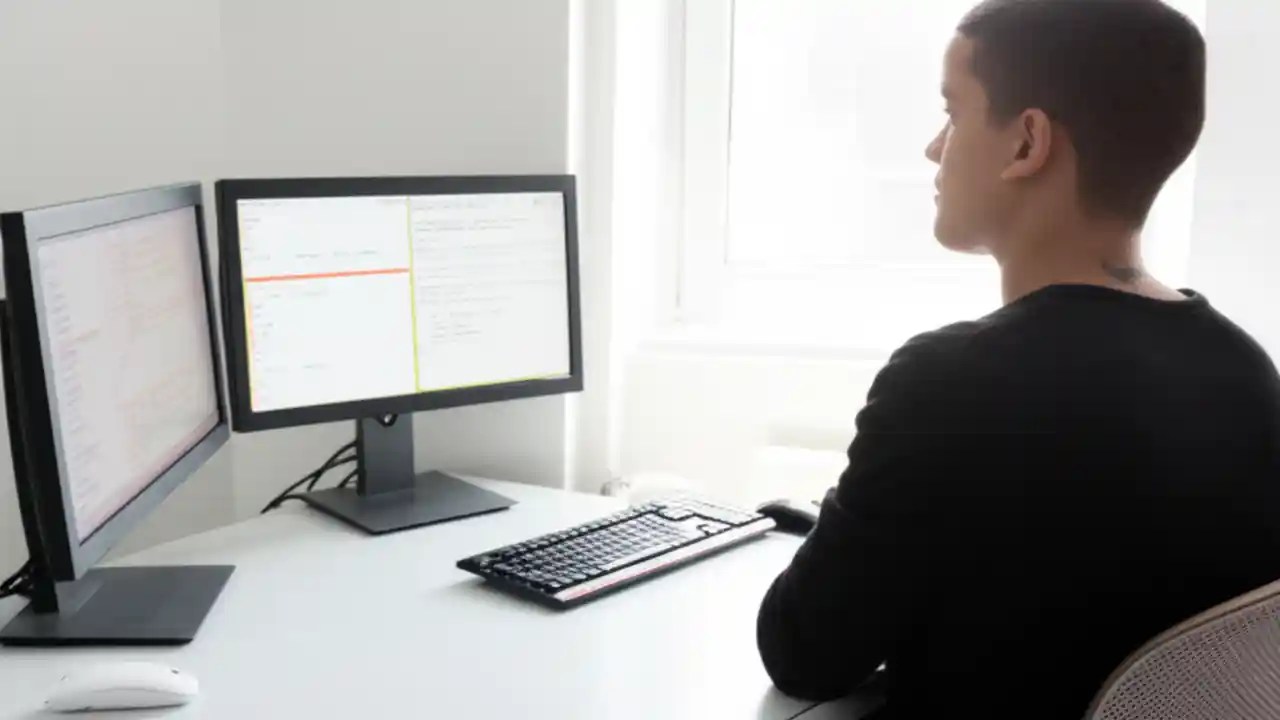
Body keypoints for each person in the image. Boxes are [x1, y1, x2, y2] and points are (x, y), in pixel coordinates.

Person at [755, 1, 1280, 718]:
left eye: (953, 113)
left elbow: (803, 652)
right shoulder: (1246, 371)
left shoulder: (951, 381)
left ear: (1027, 143)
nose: (934, 149)